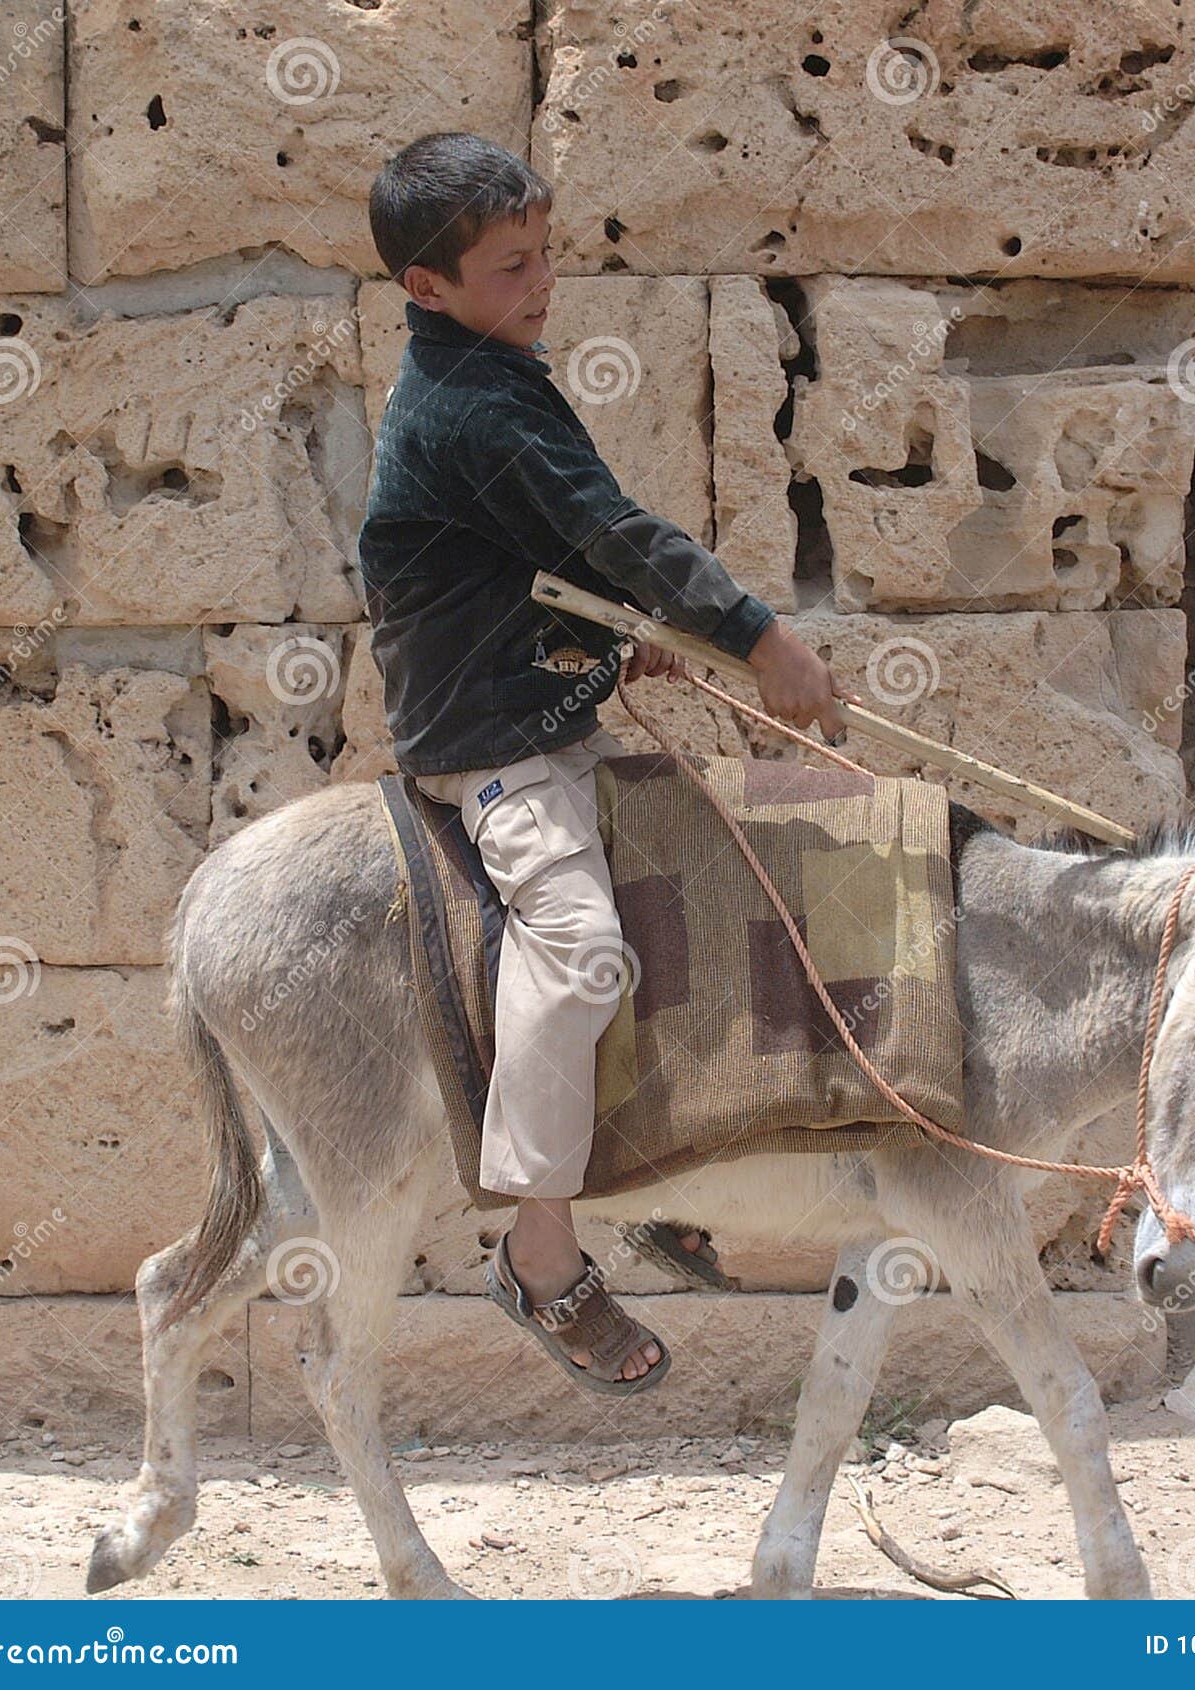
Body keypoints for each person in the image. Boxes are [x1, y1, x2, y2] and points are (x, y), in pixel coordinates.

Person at [357, 132, 860, 1394]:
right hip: (487, 742)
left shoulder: (495, 373)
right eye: (512, 267)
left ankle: (643, 1173)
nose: (541, 286)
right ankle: (538, 1258)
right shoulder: (470, 406)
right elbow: (607, 531)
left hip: (538, 699)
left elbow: (535, 561)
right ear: (428, 289)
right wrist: (758, 638)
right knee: (582, 951)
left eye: (546, 256)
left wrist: (610, 653)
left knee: (708, 895)